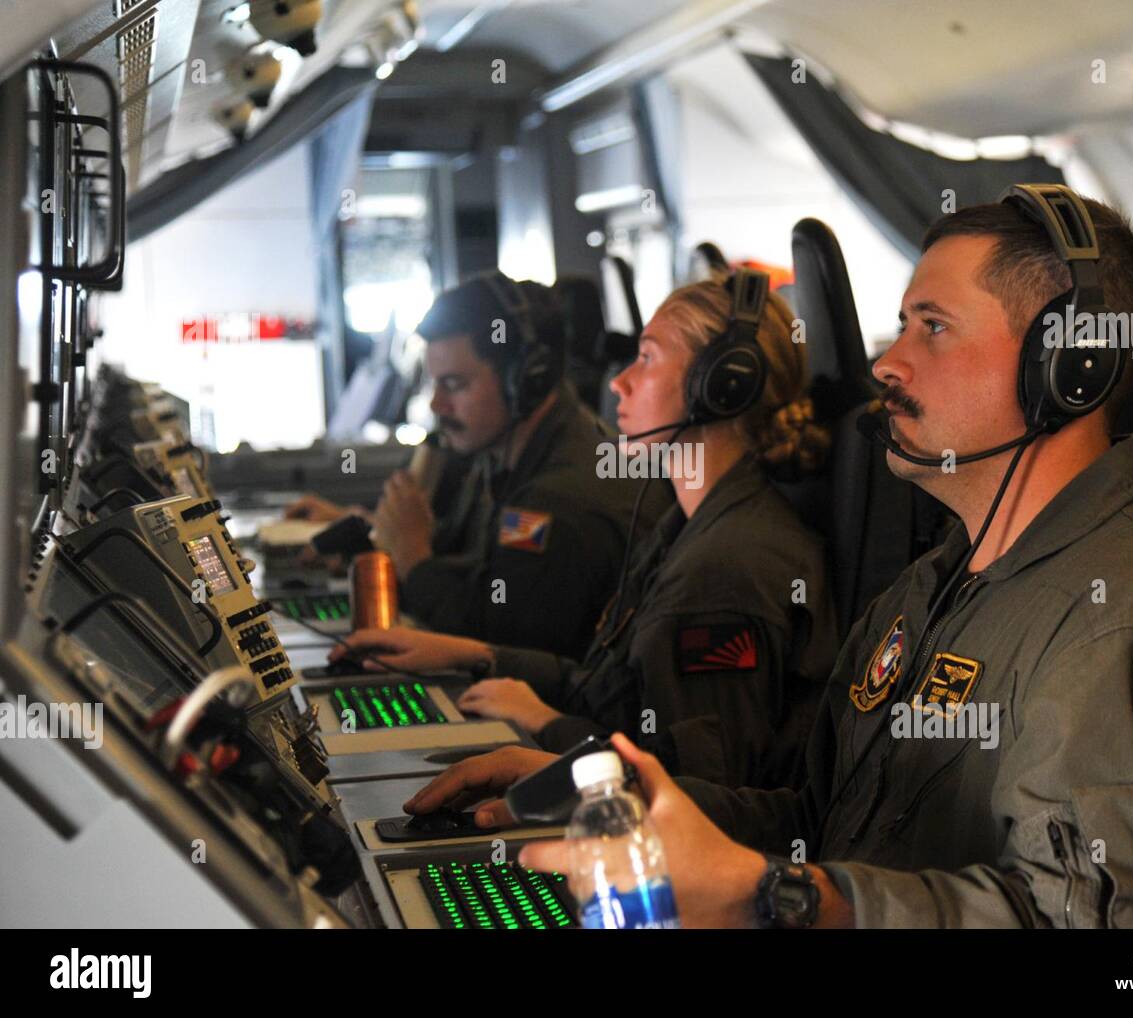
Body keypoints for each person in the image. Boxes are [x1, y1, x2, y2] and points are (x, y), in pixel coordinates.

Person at [434, 189, 1133, 928]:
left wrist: (774, 896)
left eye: (933, 328)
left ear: (1068, 367)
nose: (889, 363)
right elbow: (823, 821)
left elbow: (1074, 921)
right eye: (900, 326)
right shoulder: (931, 588)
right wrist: (623, 796)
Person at [335, 272, 840, 790]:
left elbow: (707, 789)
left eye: (646, 359)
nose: (618, 382)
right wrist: (482, 657)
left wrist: (549, 729)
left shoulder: (728, 568)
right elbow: (616, 692)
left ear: (720, 387)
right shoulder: (689, 527)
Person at [286, 273, 669, 660]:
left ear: (525, 381)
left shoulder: (556, 501)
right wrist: (375, 531)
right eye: (434, 385)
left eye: (453, 385)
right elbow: (472, 570)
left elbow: (503, 641)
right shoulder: (501, 458)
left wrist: (414, 560)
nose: (437, 405)